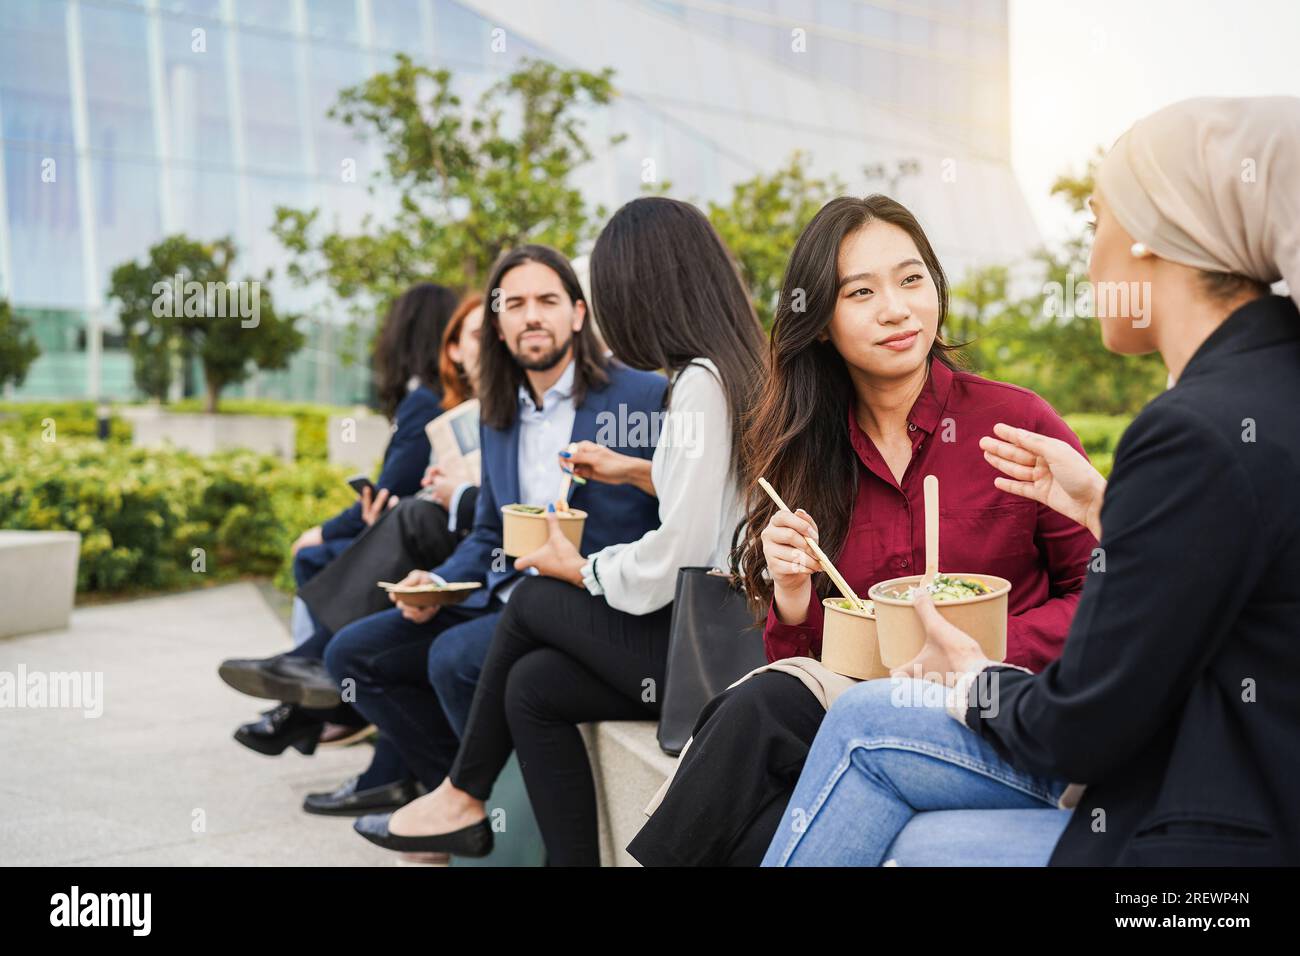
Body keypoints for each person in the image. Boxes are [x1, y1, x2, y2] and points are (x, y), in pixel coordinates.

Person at [763, 96, 1300, 867]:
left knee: (864, 724)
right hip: (1218, 790)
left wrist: (979, 676)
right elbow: (1214, 584)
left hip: (1214, 837)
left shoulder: (1188, 430)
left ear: (1148, 240)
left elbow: (1086, 719)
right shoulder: (1268, 386)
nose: (1088, 260)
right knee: (919, 845)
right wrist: (1104, 506)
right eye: (859, 293)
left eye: (1094, 226)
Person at [626, 194, 1098, 867]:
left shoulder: (1013, 425)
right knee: (760, 725)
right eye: (861, 292)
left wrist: (974, 649)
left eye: (911, 279)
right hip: (863, 705)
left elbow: (1101, 596)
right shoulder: (808, 452)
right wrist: (792, 592)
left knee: (764, 775)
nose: (897, 309)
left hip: (999, 712)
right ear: (819, 322)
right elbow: (813, 660)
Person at [351, 196, 768, 864]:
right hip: (726, 629)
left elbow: (678, 555)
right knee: (533, 686)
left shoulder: (696, 386)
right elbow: (715, 501)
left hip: (712, 648)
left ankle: (463, 795)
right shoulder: (731, 371)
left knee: (542, 599)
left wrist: (580, 570)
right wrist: (634, 470)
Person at [306, 245, 667, 817]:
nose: (531, 316)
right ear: (496, 324)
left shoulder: (643, 396)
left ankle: (474, 816)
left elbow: (675, 519)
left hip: (588, 607)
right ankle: (454, 803)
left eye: (547, 301)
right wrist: (437, 582)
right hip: (496, 597)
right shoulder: (495, 411)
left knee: (453, 657)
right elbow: (486, 533)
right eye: (514, 303)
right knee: (353, 654)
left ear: (577, 313)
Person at [220, 296, 486, 758]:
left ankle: (316, 699)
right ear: (449, 348)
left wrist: (456, 493)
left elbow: (397, 487)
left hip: (466, 542)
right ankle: (312, 700)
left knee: (337, 549)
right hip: (452, 532)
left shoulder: (430, 403)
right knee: (344, 558)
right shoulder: (452, 405)